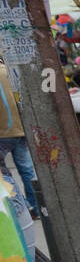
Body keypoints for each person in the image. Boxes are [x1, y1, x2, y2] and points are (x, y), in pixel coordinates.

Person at [0, 62, 38, 218]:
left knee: (3, 173)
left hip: (3, 132)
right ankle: (35, 207)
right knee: (27, 170)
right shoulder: (9, 68)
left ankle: (20, 208)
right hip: (21, 129)